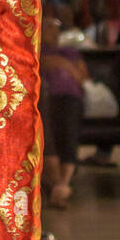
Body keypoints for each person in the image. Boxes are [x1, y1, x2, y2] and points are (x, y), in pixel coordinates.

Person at [40, 13, 87, 208]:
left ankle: (62, 184)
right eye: (48, 26)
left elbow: (82, 76)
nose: (52, 31)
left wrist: (65, 65)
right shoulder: (37, 50)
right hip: (47, 97)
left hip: (71, 97)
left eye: (55, 26)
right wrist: (64, 66)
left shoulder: (71, 52)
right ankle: (59, 186)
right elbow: (43, 64)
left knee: (69, 129)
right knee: (48, 124)